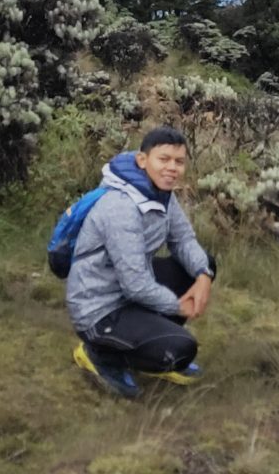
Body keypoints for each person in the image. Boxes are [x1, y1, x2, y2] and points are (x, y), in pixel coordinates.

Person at [66, 125, 217, 398]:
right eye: (164, 159)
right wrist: (178, 306)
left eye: (179, 161)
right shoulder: (121, 207)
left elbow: (182, 240)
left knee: (203, 263)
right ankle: (100, 354)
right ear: (142, 160)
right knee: (179, 350)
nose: (172, 168)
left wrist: (204, 275)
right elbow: (135, 285)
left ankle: (146, 340)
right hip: (99, 308)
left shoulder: (160, 194)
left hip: (128, 292)